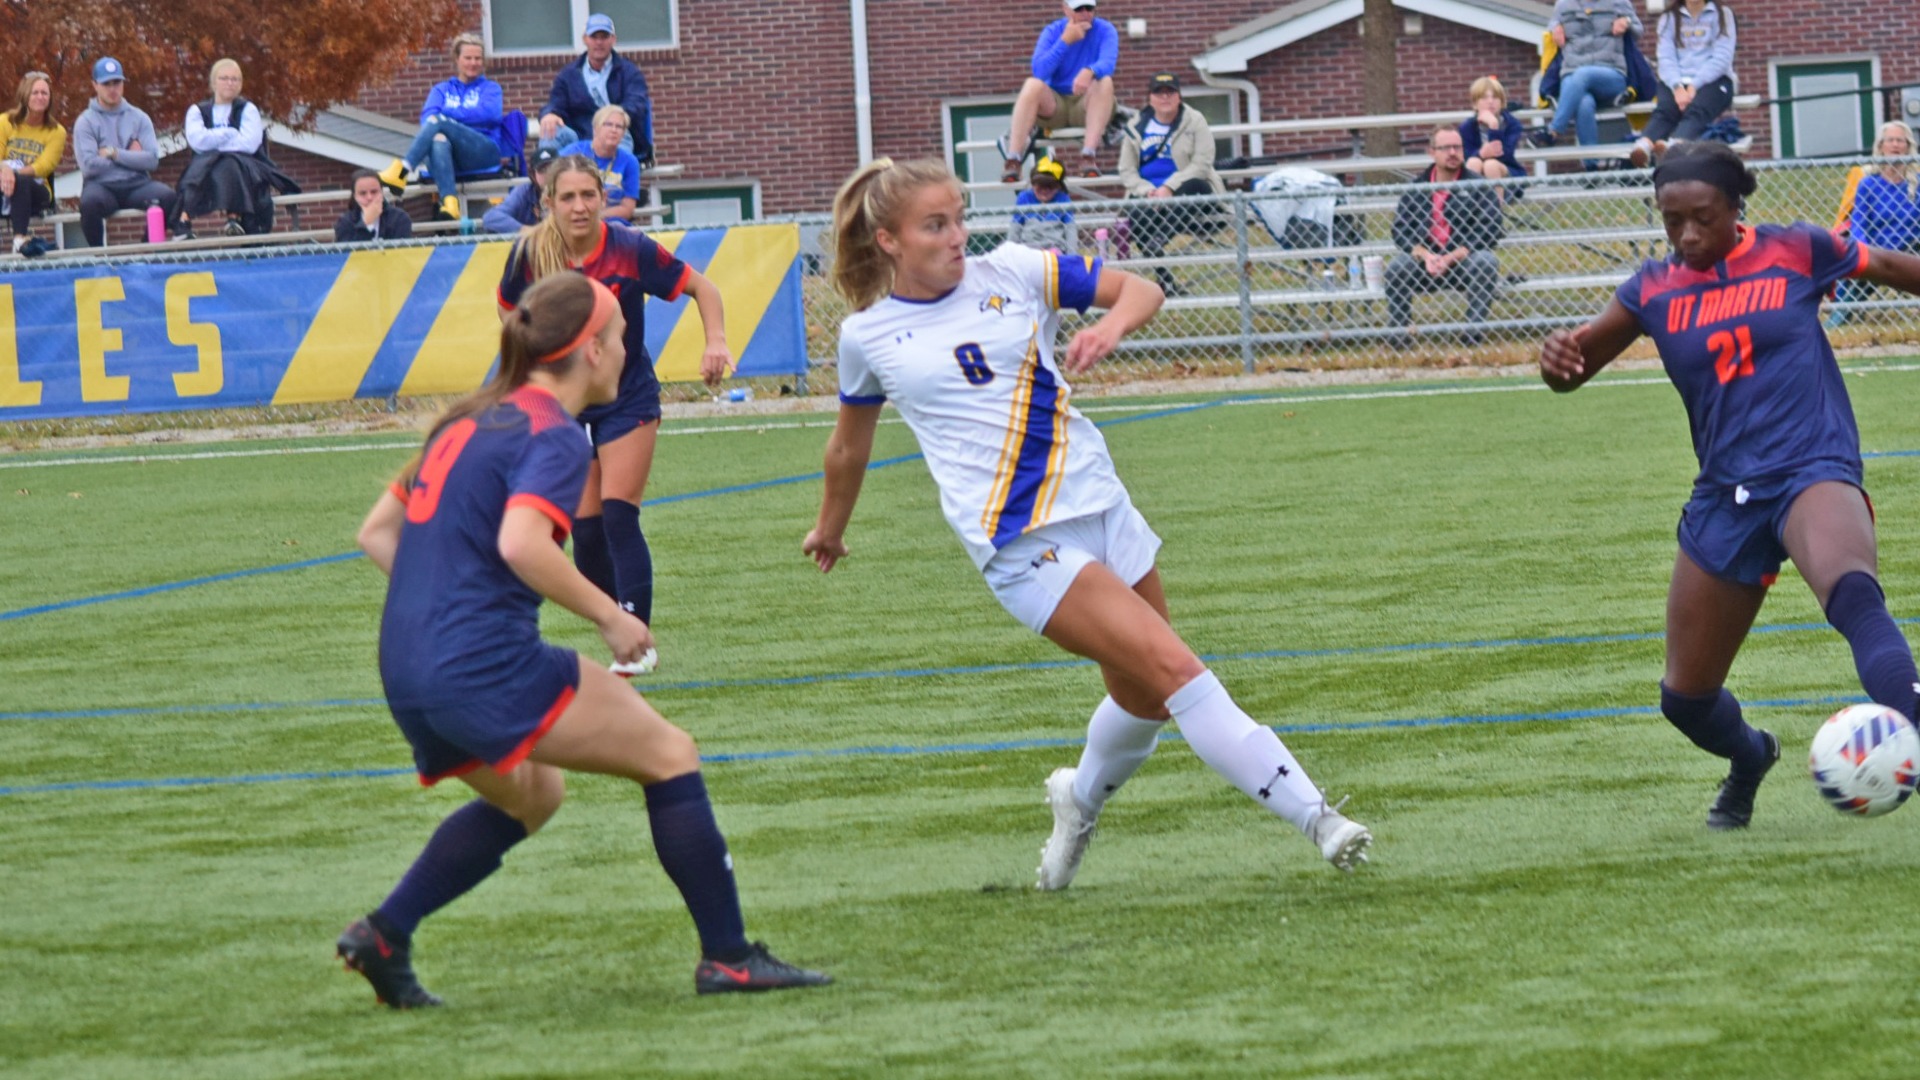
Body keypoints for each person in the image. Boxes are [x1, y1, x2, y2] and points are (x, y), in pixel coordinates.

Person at [808, 158, 1373, 892]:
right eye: (935, 225)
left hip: (1102, 502)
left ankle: (1078, 799)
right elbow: (848, 447)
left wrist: (1111, 324)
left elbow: (1142, 288)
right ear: (887, 240)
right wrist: (830, 527)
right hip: (1022, 544)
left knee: (1142, 696)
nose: (957, 236)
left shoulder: (1013, 269)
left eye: (958, 218)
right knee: (1177, 673)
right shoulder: (868, 335)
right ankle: (1320, 819)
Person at [338, 272, 829, 1006]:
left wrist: (444, 602)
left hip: (408, 669)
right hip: (479, 666)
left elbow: (377, 534)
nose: (629, 347)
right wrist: (611, 615)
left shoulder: (471, 421)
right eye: (622, 335)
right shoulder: (555, 433)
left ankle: (385, 934)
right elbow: (522, 543)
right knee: (670, 754)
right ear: (593, 349)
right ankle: (728, 958)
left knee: (531, 797)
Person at [1538, 141, 1920, 830]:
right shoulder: (1651, 290)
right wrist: (1556, 360)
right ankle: (1751, 757)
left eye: (1702, 217)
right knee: (1684, 700)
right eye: (1671, 220)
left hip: (1812, 467)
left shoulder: (1798, 249)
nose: (1686, 234)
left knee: (1853, 594)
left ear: (1736, 207)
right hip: (1723, 496)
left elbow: (1894, 267)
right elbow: (1573, 371)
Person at [496, 157, 732, 633]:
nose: (579, 207)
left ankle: (637, 639)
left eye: (589, 195)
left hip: (627, 395)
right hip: (570, 403)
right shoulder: (530, 254)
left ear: (604, 199)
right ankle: (616, 626)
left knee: (619, 517)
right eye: (568, 197)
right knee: (586, 531)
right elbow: (508, 313)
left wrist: (716, 341)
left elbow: (702, 288)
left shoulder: (629, 247)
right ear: (548, 203)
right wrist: (531, 369)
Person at [1386, 127, 1504, 347]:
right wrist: (1425, 255)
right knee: (1396, 268)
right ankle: (1399, 336)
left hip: (1463, 261)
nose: (1452, 152)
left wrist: (1452, 256)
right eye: (1445, 148)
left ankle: (1472, 333)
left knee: (1486, 261)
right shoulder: (1417, 188)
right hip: (1425, 263)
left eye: (1457, 147)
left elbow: (1490, 228)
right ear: (1432, 152)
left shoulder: (1478, 186)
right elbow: (1400, 230)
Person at [376, 33, 506, 223]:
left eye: (477, 58)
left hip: (483, 151)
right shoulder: (441, 89)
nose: (473, 62)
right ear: (457, 59)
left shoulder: (491, 88)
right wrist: (456, 119)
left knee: (439, 123)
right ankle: (450, 201)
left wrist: (448, 117)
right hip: (450, 156)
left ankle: (402, 170)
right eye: (468, 58)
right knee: (438, 140)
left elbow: (489, 115)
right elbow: (426, 118)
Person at [1116, 72, 1224, 297]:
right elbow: (1127, 170)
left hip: (1187, 192)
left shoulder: (1194, 120)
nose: (1165, 97)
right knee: (1135, 214)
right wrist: (1149, 191)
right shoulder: (1136, 126)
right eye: (1159, 92)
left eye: (1170, 92)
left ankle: (1160, 238)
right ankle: (1166, 282)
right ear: (1150, 98)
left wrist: (1169, 188)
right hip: (1150, 196)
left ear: (1179, 97)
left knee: (1196, 185)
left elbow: (1202, 163)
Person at [175, 59, 298, 238]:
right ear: (214, 82)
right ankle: (225, 219)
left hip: (247, 166)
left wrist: (214, 141)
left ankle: (195, 218)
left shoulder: (248, 110)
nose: (230, 83)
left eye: (235, 79)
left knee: (229, 162)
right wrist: (230, 133)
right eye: (224, 78)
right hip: (204, 166)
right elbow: (198, 141)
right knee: (210, 166)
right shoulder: (197, 111)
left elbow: (248, 144)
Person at [1002, 0, 1118, 182]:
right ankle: (1013, 160)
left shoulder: (1105, 29)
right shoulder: (1052, 31)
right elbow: (1039, 71)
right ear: (1065, 9)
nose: (1086, 13)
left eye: (1090, 8)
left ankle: (1089, 157)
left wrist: (1090, 71)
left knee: (1105, 82)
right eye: (1079, 9)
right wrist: (1065, 41)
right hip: (1055, 107)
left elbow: (1108, 63)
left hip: (1086, 104)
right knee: (1032, 85)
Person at [73, 56, 181, 247]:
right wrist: (133, 157)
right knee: (89, 203)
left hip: (136, 184)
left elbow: (152, 160)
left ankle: (145, 250)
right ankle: (99, 257)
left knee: (168, 197)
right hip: (101, 186)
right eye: (106, 83)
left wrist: (114, 153)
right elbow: (89, 166)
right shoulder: (86, 121)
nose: (112, 89)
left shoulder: (139, 117)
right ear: (95, 85)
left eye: (117, 82)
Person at [1829, 122, 1920, 327]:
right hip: (1876, 250)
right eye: (1890, 140)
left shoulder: (1918, 183)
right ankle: (1838, 319)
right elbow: (1859, 223)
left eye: (1900, 140)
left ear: (1908, 146)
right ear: (1881, 146)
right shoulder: (1869, 184)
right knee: (1853, 259)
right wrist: (1860, 248)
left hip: (1910, 249)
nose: (1895, 145)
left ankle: (1843, 313)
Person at [1630, 0, 1737, 168]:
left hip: (1713, 80)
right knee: (1664, 110)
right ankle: (1643, 146)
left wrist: (1695, 85)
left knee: (1697, 110)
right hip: (1676, 80)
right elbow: (1665, 58)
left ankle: (1673, 146)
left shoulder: (1723, 14)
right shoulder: (1669, 18)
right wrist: (1677, 86)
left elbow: (1722, 58)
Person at [538, 12, 651, 163]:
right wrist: (550, 113)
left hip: (616, 131)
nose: (599, 42)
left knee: (616, 130)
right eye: (594, 37)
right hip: (580, 135)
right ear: (585, 39)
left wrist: (610, 120)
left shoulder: (629, 72)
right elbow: (556, 102)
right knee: (550, 130)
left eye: (604, 37)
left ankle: (611, 183)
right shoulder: (568, 74)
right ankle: (549, 183)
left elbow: (636, 104)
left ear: (613, 40)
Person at [1546, 0, 1643, 165]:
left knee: (1583, 74)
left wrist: (1626, 22)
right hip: (1573, 72)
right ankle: (1591, 168)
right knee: (1583, 103)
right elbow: (1552, 24)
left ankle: (1554, 130)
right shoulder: (1563, 5)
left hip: (1611, 73)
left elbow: (1638, 30)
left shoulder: (1618, 2)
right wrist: (1554, 29)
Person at [0, 70, 63, 258]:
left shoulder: (56, 131)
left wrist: (15, 172)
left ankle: (20, 239)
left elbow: (44, 166)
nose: (40, 97)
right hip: (3, 182)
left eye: (45, 93)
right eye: (35, 92)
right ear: (25, 95)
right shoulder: (5, 122)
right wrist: (6, 170)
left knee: (23, 181)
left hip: (37, 190)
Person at [559, 106, 642, 223]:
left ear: (623, 133)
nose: (614, 130)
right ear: (595, 129)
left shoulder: (630, 162)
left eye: (619, 127)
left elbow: (627, 209)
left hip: (611, 222)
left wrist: (595, 217)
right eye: (608, 124)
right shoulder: (572, 153)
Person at [1459, 75, 1525, 182]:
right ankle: (1474, 199)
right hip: (1477, 169)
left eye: (1495, 97)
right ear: (1475, 103)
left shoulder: (1512, 124)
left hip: (1507, 173)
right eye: (1484, 98)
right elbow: (1466, 157)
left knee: (1491, 165)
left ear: (1502, 102)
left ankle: (1498, 199)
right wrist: (1481, 153)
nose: (1490, 101)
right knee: (1473, 162)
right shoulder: (1467, 126)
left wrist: (1493, 126)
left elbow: (1505, 155)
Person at [482, 148, 560, 236]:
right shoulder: (524, 192)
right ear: (533, 174)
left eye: (552, 168)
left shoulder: (569, 190)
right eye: (542, 170)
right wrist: (527, 231)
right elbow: (491, 218)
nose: (548, 174)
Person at [1008, 155, 1076, 251]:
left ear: (1059, 186)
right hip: (1029, 248)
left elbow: (1070, 229)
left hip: (1054, 247)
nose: (1045, 190)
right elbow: (1015, 228)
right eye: (1040, 185)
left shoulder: (1063, 198)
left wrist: (1072, 256)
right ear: (1032, 184)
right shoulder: (1024, 197)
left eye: (1051, 186)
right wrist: (1010, 252)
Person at [334, 168, 415, 243]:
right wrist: (367, 224)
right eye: (363, 193)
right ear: (355, 196)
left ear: (381, 192)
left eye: (374, 192)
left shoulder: (399, 218)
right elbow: (347, 254)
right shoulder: (345, 222)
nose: (369, 197)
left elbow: (401, 253)